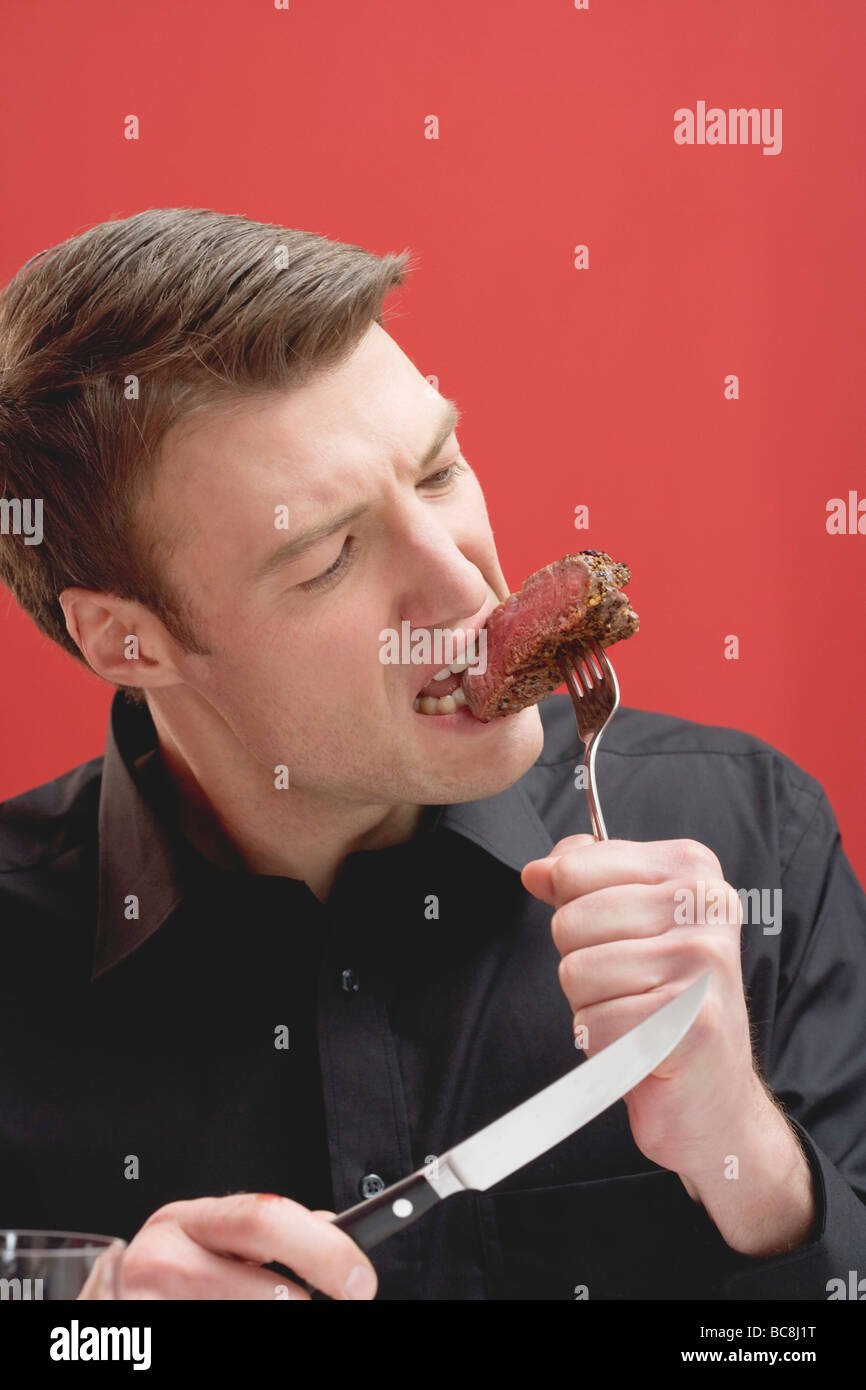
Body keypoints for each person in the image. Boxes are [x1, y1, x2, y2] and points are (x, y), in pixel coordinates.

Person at [1, 208, 864, 1301]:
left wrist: (750, 1164)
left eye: (441, 469)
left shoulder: (753, 833)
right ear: (131, 639)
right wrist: (96, 1329)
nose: (464, 589)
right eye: (326, 558)